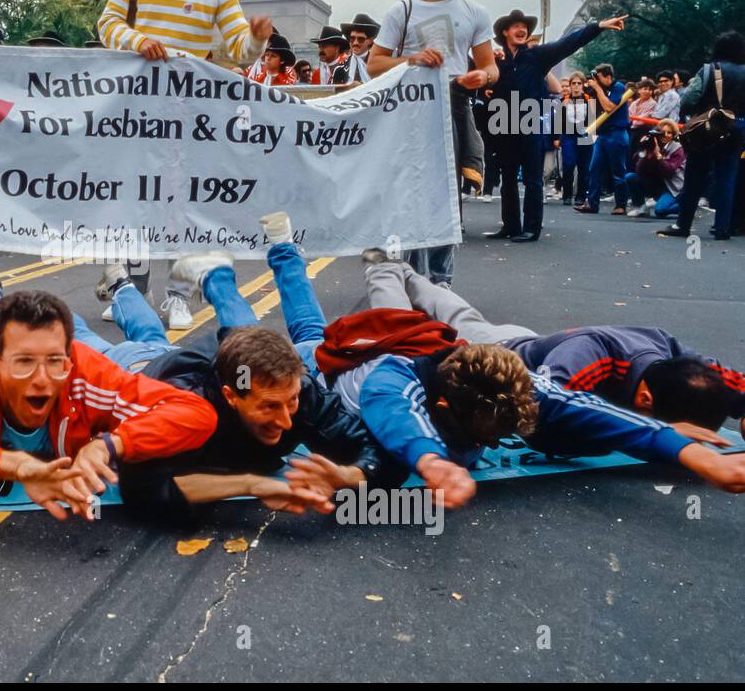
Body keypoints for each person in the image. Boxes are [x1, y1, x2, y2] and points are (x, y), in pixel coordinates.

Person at [288, 249, 745, 508]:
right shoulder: (393, 381)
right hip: (341, 367)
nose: (500, 440)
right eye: (492, 432)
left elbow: (597, 414)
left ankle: (405, 270)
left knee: (459, 315)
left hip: (476, 348)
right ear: (445, 407)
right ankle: (286, 256)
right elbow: (396, 415)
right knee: (310, 334)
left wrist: (698, 458)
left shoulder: (519, 384)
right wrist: (433, 462)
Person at [80, 217, 405, 527]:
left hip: (196, 359)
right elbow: (144, 491)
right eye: (269, 407)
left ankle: (122, 283)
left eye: (289, 401)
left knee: (153, 336)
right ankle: (118, 289)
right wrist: (251, 484)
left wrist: (351, 476)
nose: (286, 421)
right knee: (89, 344)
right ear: (230, 398)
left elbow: (376, 452)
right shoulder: (188, 408)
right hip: (137, 368)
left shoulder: (299, 392)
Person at [0, 250, 219, 520]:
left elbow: (195, 414)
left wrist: (109, 445)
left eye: (54, 361)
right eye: (25, 362)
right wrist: (18, 466)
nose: (42, 378)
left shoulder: (88, 370)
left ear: (68, 361)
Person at [97, 0, 272, 327]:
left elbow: (238, 48)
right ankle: (133, 292)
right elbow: (107, 25)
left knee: (182, 203)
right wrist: (139, 42)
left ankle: (178, 297)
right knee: (136, 197)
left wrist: (256, 38)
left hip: (187, 113)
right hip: (135, 111)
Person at [368, 0, 499, 286]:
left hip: (455, 102)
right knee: (414, 193)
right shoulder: (403, 11)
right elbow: (374, 64)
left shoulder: (475, 12)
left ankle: (440, 280)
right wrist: (412, 59)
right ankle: (413, 276)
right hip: (413, 110)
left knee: (448, 193)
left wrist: (480, 78)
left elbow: (490, 67)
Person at [484, 9, 626, 242]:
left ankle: (531, 228)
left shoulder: (537, 56)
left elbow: (568, 43)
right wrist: (488, 88)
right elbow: (484, 78)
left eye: (524, 27)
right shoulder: (499, 62)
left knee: (532, 178)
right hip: (505, 123)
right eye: (516, 26)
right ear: (504, 32)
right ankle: (510, 226)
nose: (522, 30)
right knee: (508, 178)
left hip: (531, 123)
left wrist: (598, 26)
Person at [659, 30, 745, 242]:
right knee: (727, 179)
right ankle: (722, 227)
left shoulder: (709, 70)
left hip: (707, 130)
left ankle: (683, 224)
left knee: (695, 177)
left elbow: (689, 98)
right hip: (736, 129)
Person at [575, 63, 631, 216]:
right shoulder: (599, 89)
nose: (596, 82)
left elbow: (609, 107)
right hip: (603, 134)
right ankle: (592, 203)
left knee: (618, 171)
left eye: (598, 78)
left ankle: (621, 205)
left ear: (608, 77)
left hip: (617, 133)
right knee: (594, 169)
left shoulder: (618, 87)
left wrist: (598, 88)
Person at [624, 119, 684, 219]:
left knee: (660, 211)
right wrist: (647, 154)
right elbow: (640, 172)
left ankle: (687, 207)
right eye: (663, 132)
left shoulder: (677, 149)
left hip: (671, 188)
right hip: (658, 184)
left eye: (669, 132)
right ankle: (640, 208)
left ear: (673, 135)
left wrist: (659, 156)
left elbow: (669, 172)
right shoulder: (652, 145)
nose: (665, 135)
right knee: (630, 177)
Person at [558, 72, 595, 206]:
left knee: (584, 167)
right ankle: (567, 194)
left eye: (579, 83)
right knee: (568, 164)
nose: (576, 86)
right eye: (573, 83)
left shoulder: (589, 99)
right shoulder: (564, 100)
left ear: (583, 85)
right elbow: (559, 121)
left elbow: (594, 118)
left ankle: (581, 196)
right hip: (568, 135)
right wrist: (557, 137)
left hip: (585, 134)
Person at [339, 12, 381, 84]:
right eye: (352, 38)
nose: (355, 43)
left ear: (370, 41)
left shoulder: (379, 67)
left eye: (361, 39)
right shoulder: (340, 69)